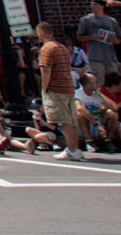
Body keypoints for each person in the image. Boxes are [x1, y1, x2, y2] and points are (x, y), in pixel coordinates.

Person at [36, 21, 83, 160]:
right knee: (71, 120)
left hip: (56, 88)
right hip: (68, 87)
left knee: (64, 121)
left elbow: (46, 72)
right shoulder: (62, 47)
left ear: (40, 33)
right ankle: (75, 149)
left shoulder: (46, 49)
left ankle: (72, 149)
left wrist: (44, 89)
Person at [77, 0, 121, 83]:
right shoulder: (86, 20)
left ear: (102, 6)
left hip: (110, 57)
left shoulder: (111, 21)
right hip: (95, 56)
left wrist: (114, 39)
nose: (92, 6)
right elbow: (79, 37)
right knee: (99, 81)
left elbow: (119, 40)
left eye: (95, 4)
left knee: (113, 82)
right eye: (91, 4)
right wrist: (91, 37)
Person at [74, 72, 121, 154]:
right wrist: (96, 124)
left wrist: (100, 94)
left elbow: (115, 108)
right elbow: (80, 108)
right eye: (96, 82)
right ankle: (88, 141)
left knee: (112, 114)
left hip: (97, 124)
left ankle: (107, 140)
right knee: (80, 115)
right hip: (84, 125)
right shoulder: (77, 93)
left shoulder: (97, 95)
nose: (98, 84)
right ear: (88, 85)